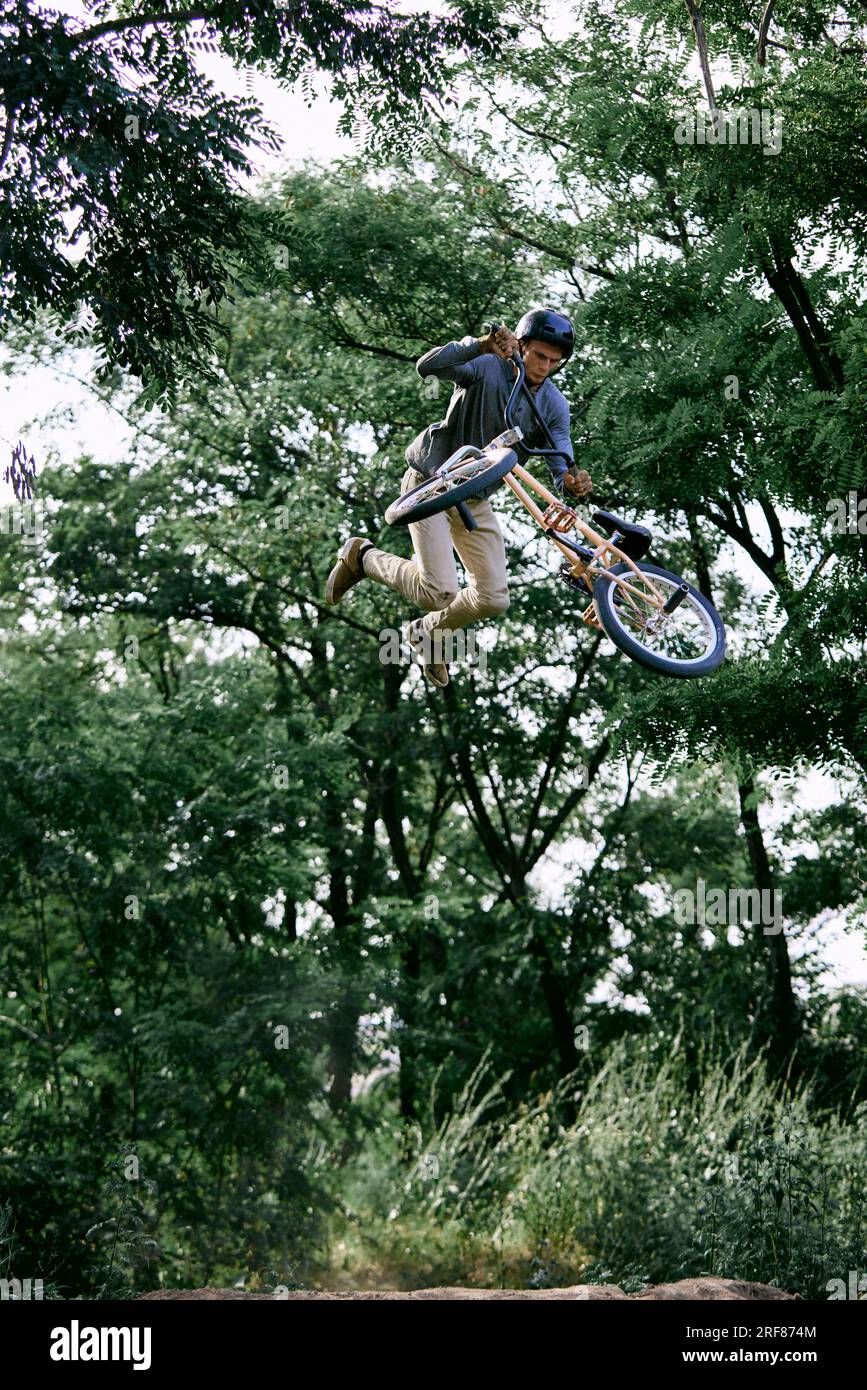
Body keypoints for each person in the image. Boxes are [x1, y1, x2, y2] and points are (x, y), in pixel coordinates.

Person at [324, 308, 592, 687]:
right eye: (539, 355)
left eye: (554, 360)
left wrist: (572, 479)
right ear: (522, 345)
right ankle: (361, 557)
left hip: (474, 497)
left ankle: (427, 633)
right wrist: (478, 344)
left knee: (494, 597)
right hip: (430, 484)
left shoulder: (554, 405)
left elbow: (561, 460)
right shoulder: (486, 365)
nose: (545, 366)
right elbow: (428, 367)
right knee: (438, 591)